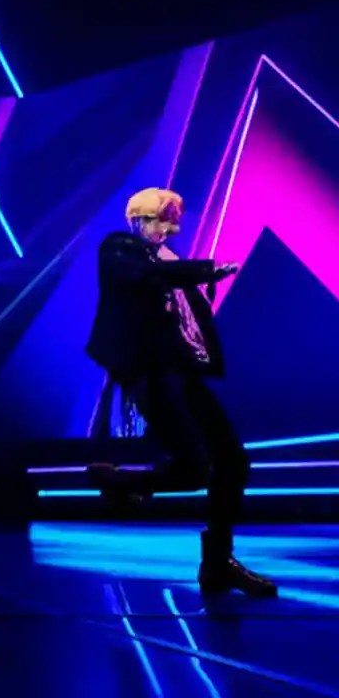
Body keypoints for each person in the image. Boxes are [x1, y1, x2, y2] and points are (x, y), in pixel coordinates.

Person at [86, 187, 276, 597]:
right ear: (138, 220)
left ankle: (217, 563)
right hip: (152, 374)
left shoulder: (167, 260)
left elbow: (188, 314)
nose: (165, 231)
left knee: (232, 461)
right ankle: (119, 483)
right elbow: (146, 278)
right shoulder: (119, 247)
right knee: (195, 465)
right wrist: (205, 270)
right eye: (158, 221)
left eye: (170, 224)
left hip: (183, 373)